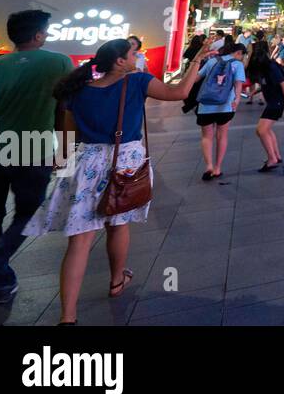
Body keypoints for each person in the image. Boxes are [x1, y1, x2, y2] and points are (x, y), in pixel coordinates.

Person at [25, 38, 204, 324]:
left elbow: (68, 139)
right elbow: (180, 91)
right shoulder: (137, 82)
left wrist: (62, 167)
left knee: (79, 242)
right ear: (120, 61)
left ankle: (67, 317)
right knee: (118, 225)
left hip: (86, 164)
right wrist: (196, 61)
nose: (138, 56)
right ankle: (117, 281)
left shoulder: (77, 91)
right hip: (124, 163)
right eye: (134, 53)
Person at [0, 10, 73, 305]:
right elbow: (63, 111)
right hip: (33, 147)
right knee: (29, 215)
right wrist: (64, 150)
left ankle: (1, 283)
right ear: (39, 35)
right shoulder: (59, 62)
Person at [195, 42, 247, 180]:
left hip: (206, 104)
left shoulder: (212, 61)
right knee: (222, 135)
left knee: (207, 136)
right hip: (226, 106)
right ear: (238, 53)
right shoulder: (238, 64)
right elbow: (238, 85)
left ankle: (209, 166)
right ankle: (217, 168)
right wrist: (236, 100)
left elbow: (196, 78)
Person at [253, 46, 284, 172]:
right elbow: (267, 84)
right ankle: (276, 156)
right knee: (265, 130)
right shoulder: (265, 67)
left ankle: (272, 159)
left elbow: (283, 83)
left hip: (277, 102)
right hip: (273, 102)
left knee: (261, 130)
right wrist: (254, 92)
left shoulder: (271, 66)